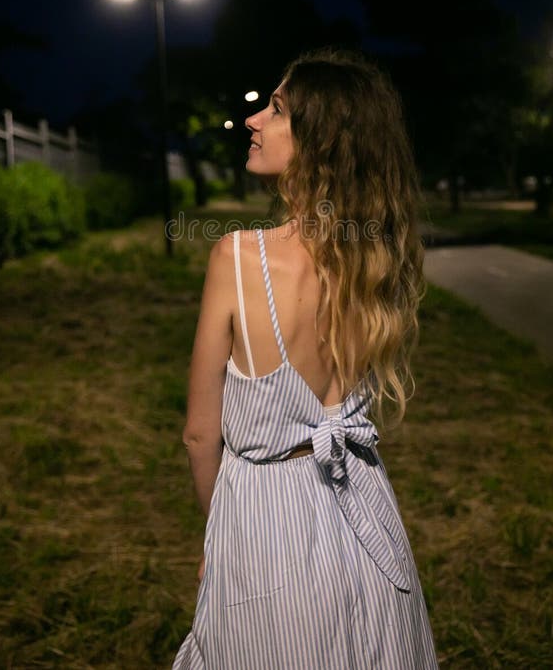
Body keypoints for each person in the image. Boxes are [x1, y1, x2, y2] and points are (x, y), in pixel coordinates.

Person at [172, 47, 439, 669]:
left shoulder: (237, 258)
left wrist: (220, 535)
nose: (254, 120)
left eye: (277, 108)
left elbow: (198, 433)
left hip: (268, 536)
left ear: (319, 143)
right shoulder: (376, 261)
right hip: (369, 522)